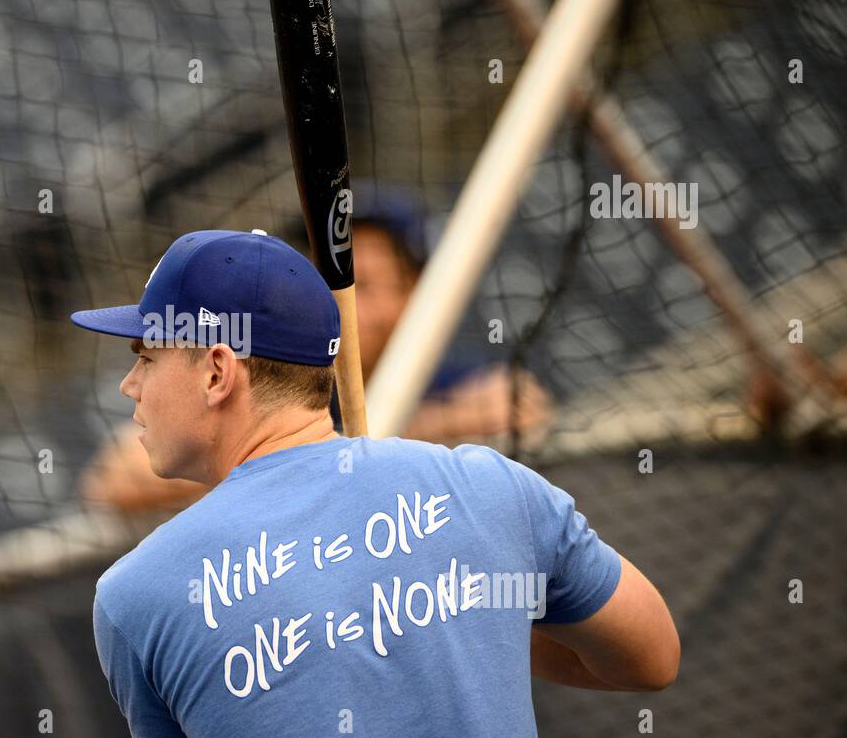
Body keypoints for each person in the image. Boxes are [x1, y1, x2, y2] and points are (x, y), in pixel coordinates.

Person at [71, 228, 678, 738]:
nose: (131, 383)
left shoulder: (136, 595)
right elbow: (651, 658)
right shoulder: (490, 485)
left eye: (147, 357)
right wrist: (470, 617)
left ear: (216, 371)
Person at [78, 180, 551, 513]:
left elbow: (520, 406)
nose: (338, 304)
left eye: (362, 286)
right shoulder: (280, 384)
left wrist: (316, 453)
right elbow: (116, 478)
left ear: (412, 296)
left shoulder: (453, 380)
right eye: (321, 285)